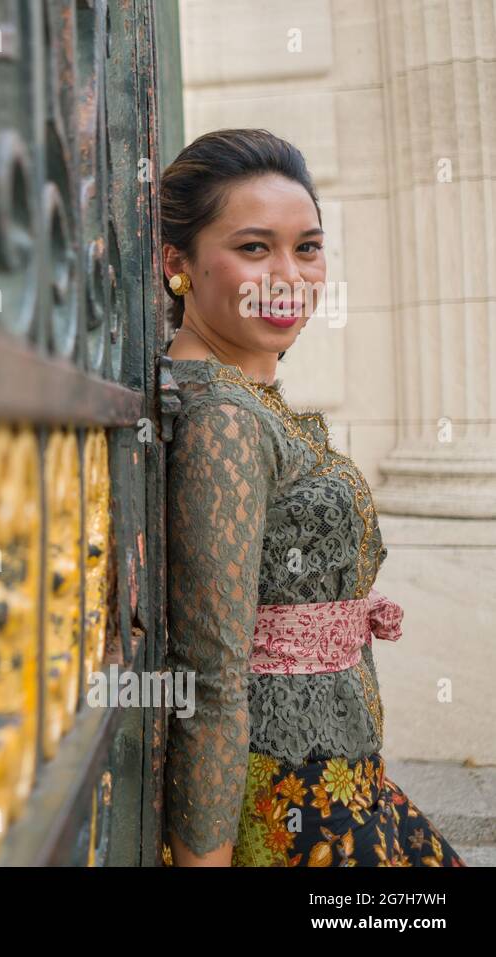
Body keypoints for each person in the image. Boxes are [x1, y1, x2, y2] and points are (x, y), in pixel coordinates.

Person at [157, 128, 465, 867]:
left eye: (308, 246)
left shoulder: (249, 397)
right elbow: (214, 676)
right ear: (179, 266)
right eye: (254, 248)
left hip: (345, 778)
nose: (288, 275)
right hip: (289, 807)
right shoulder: (223, 420)